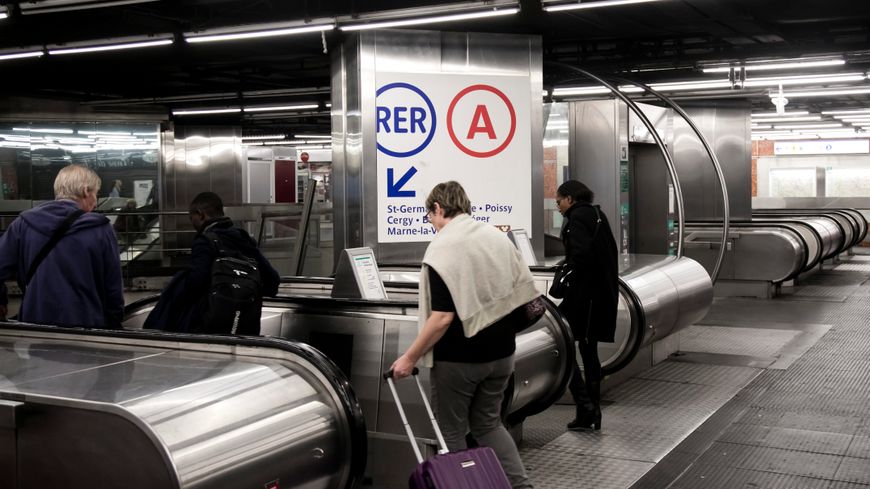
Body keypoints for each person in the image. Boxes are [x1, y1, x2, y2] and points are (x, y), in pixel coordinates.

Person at [390, 181, 538, 489]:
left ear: (438, 209)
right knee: (488, 424)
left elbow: (442, 318)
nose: (430, 223)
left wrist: (409, 357)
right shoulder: (495, 237)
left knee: (452, 432)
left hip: (459, 360)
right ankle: (521, 485)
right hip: (502, 354)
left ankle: (462, 484)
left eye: (429, 216)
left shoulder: (442, 250)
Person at [0, 164, 124, 328]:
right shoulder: (100, 229)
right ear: (86, 191)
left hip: (34, 322)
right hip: (87, 325)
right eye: (96, 193)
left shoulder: (23, 224)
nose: (95, 202)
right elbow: (113, 287)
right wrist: (113, 324)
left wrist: (2, 301)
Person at [143, 191, 280, 335]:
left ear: (201, 214)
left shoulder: (205, 242)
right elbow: (273, 282)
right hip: (246, 328)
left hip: (210, 329)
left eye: (192, 218)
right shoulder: (243, 239)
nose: (193, 224)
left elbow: (195, 283)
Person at [555, 180, 619, 431]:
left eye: (558, 201)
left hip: (585, 297)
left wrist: (566, 271)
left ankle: (585, 406)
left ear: (570, 198)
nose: (558, 206)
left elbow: (581, 256)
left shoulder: (577, 218)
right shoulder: (596, 214)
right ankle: (592, 410)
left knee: (560, 342)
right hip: (601, 295)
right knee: (589, 351)